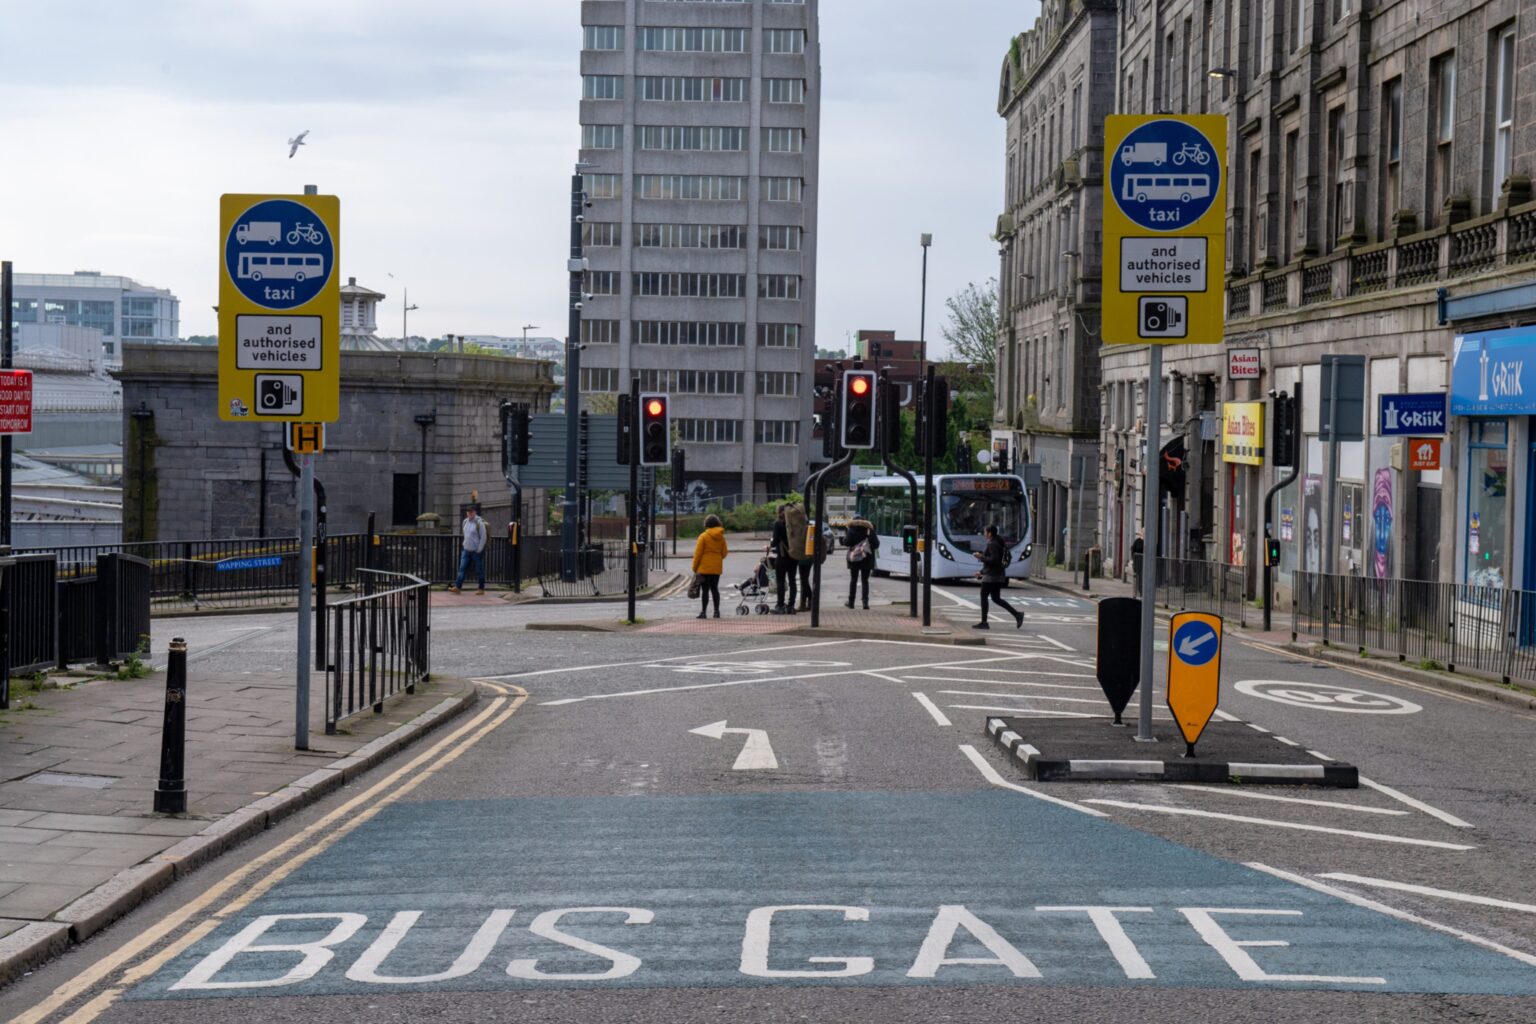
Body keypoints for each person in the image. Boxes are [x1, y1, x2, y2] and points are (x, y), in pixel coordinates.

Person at [974, 523, 1023, 630]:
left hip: (992, 577)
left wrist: (981, 557)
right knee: (996, 598)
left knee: (984, 597)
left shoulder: (992, 544)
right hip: (997, 575)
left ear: (990, 533)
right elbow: (992, 563)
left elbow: (993, 561)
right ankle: (1017, 615)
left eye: (985, 532)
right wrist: (981, 572)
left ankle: (984, 622)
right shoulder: (997, 543)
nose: (984, 534)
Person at [692, 513, 728, 618]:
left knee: (705, 590)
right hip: (716, 568)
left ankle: (703, 612)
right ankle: (717, 612)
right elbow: (724, 553)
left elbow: (697, 554)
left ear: (706, 524)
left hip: (704, 568)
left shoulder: (703, 536)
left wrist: (694, 567)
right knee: (715, 589)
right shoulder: (721, 537)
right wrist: (717, 558)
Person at [843, 515, 879, 609]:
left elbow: (846, 542)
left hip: (854, 559)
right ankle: (865, 602)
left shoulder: (851, 530)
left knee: (853, 580)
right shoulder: (869, 530)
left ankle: (851, 602)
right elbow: (876, 545)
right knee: (865, 580)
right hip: (866, 558)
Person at [449, 506, 487, 594]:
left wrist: (479, 549)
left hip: (476, 551)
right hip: (466, 550)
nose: (470, 513)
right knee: (462, 569)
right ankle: (458, 587)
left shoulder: (479, 523)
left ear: (475, 512)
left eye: (472, 512)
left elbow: (483, 537)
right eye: (468, 512)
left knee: (479, 570)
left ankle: (481, 589)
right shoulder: (465, 521)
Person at [770, 504, 799, 613]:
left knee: (780, 581)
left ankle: (780, 605)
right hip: (794, 556)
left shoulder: (778, 524)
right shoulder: (795, 524)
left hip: (782, 556)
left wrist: (770, 544)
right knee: (792, 581)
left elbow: (775, 541)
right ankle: (791, 606)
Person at [787, 502, 814, 611]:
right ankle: (805, 603)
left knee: (804, 580)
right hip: (808, 557)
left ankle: (810, 600)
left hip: (804, 557)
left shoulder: (802, 530)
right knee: (804, 580)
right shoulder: (808, 528)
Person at [1131, 530, 1145, 597]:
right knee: (1139, 578)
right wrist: (1134, 560)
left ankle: (1142, 593)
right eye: (1143, 532)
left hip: (1145, 563)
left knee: (1143, 579)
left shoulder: (1148, 540)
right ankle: (1138, 593)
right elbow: (1133, 550)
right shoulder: (1137, 541)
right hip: (1138, 563)